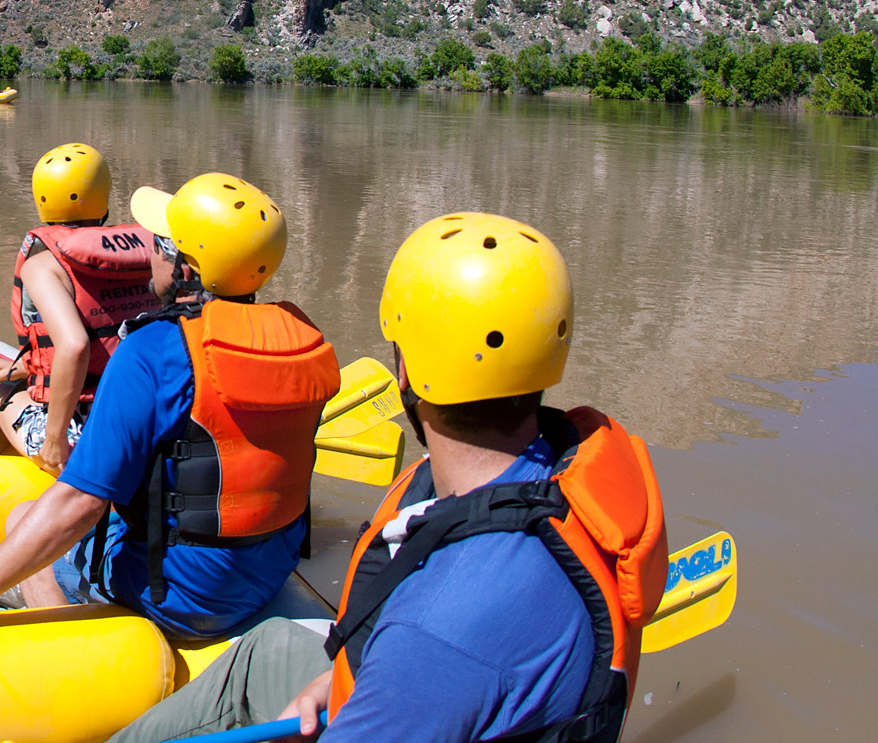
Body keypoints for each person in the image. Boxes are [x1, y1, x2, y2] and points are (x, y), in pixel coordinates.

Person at [103, 212, 669, 743]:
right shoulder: (554, 471)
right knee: (270, 648)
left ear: (404, 366)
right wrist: (340, 679)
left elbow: (439, 651)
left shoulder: (439, 631)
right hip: (436, 684)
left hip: (421, 681)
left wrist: (382, 686)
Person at [0, 173, 338, 639]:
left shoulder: (155, 349)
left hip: (179, 596)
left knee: (23, 519)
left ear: (185, 269)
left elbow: (80, 503)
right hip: (270, 573)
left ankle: (64, 654)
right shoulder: (301, 337)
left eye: (158, 242)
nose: (147, 250)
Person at [0, 143, 161, 473]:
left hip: (86, 441)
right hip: (144, 424)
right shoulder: (147, 256)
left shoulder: (43, 265)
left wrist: (54, 440)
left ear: (42, 200)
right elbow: (111, 342)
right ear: (104, 196)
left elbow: (76, 346)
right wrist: (30, 366)